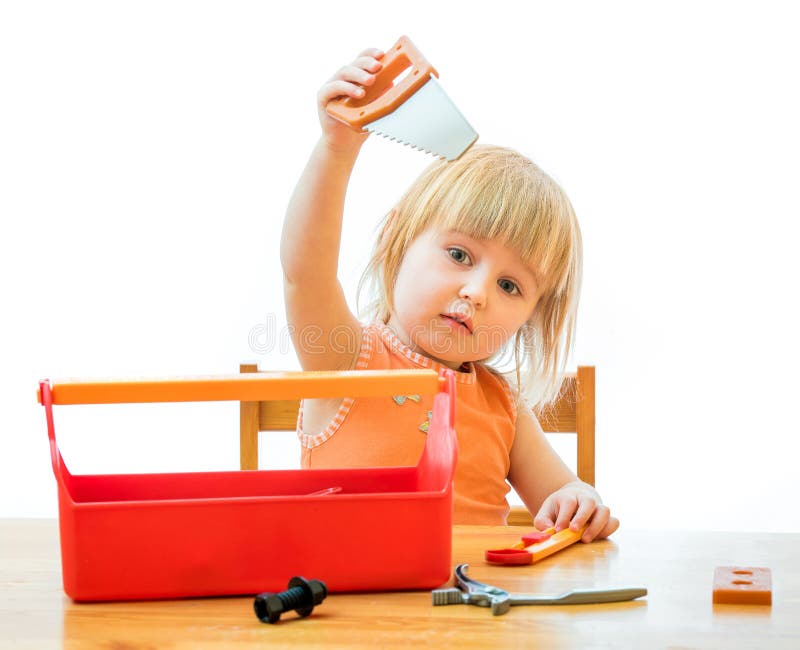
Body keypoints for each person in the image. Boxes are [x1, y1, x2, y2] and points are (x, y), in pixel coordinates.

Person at [280, 46, 619, 541]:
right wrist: (337, 149)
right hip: (352, 611)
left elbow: (562, 497)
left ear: (531, 315)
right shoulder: (347, 358)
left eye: (510, 286)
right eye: (459, 255)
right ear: (394, 237)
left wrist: (580, 501)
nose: (478, 292)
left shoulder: (504, 406)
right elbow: (304, 272)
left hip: (473, 611)